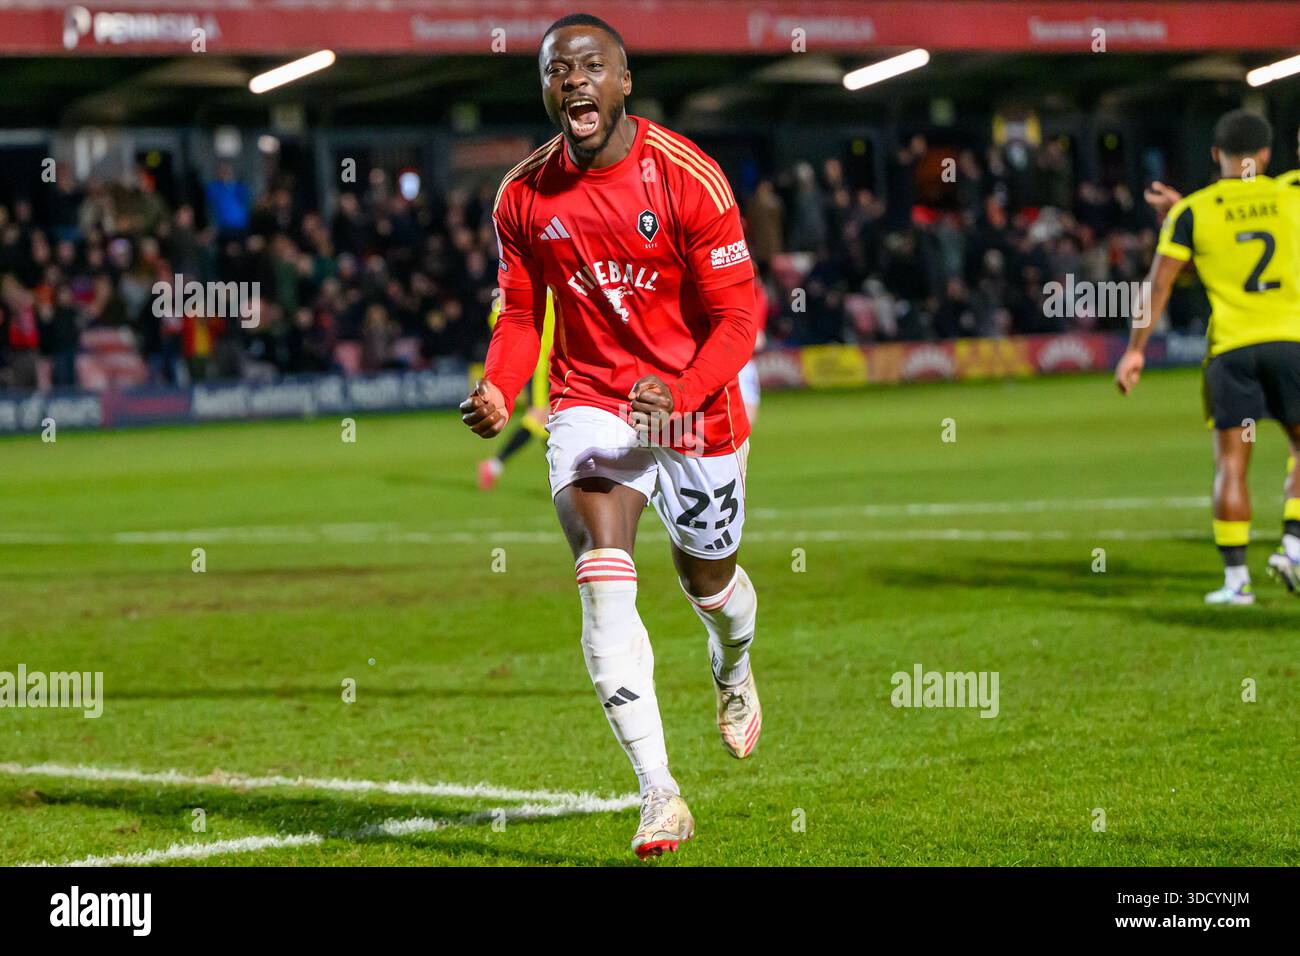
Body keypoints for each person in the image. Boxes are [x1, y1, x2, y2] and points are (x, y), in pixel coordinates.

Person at [459, 13, 762, 859]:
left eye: (592, 66)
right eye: (559, 70)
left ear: (624, 81)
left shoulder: (688, 178)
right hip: (591, 399)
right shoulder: (521, 195)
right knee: (603, 574)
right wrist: (498, 384)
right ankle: (660, 792)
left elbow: (740, 317)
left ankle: (732, 665)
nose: (575, 81)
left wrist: (686, 391)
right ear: (547, 88)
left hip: (697, 405)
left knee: (713, 585)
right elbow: (521, 315)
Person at [1116, 109, 1300, 603]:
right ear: (1265, 155)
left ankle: (1236, 584)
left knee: (1231, 465)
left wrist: (1134, 352)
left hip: (1231, 351)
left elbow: (1159, 284)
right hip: (1292, 344)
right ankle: (1294, 546)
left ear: (1216, 154)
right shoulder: (1292, 194)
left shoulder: (1193, 212)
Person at [477, 290, 555, 490]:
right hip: (539, 368)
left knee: (543, 423)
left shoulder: (552, 284)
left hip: (552, 365)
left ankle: (566, 476)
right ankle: (568, 477)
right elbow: (498, 318)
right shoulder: (524, 288)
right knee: (541, 421)